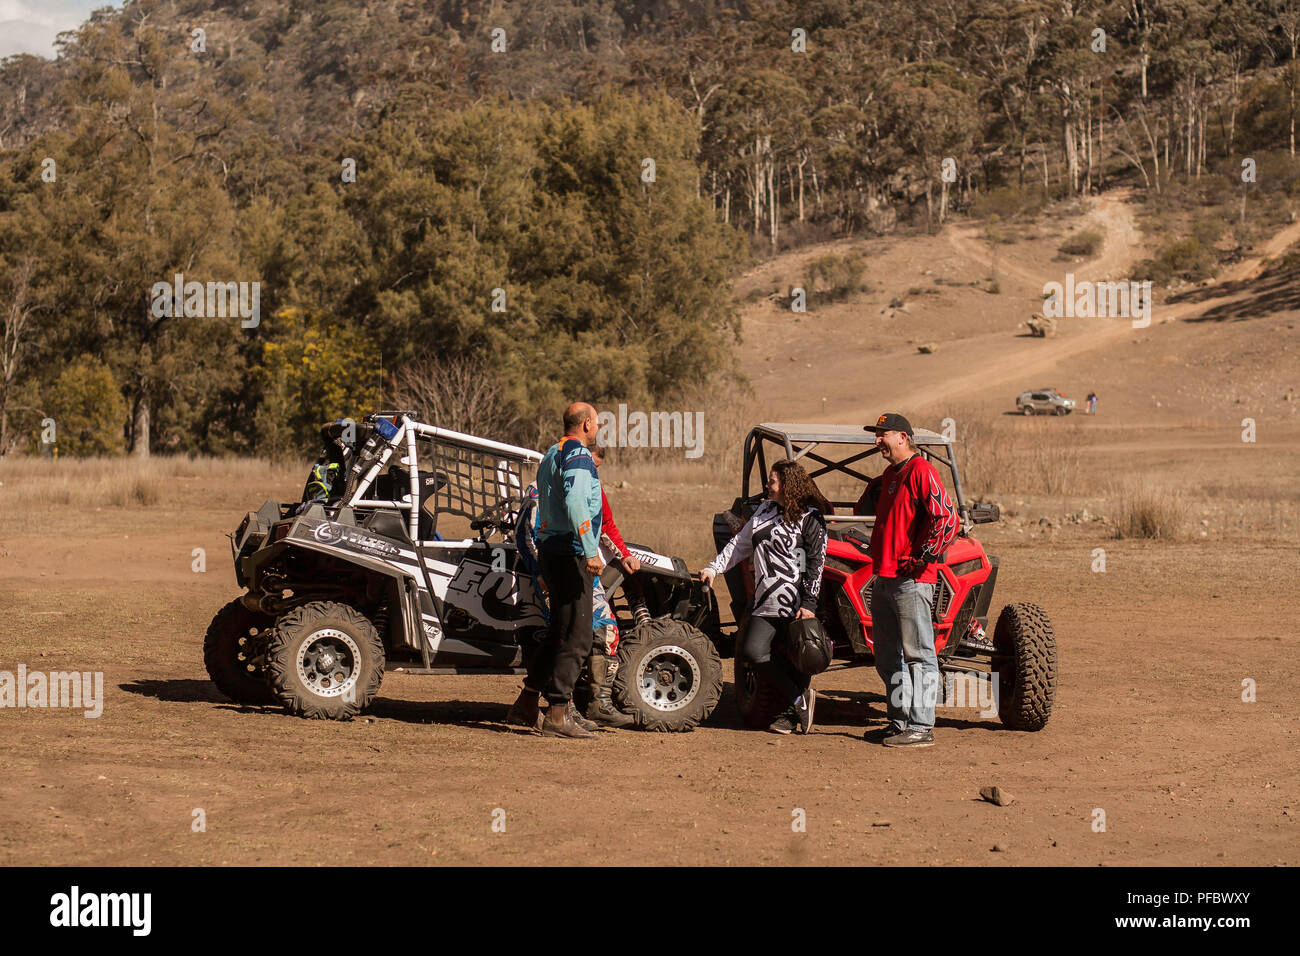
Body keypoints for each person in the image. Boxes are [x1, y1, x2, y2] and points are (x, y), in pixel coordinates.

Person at [699, 459, 828, 735]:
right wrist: (714, 568)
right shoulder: (764, 511)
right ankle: (798, 698)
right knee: (754, 653)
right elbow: (739, 545)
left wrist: (808, 604)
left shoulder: (811, 517)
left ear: (787, 485)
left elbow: (815, 563)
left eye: (772, 481)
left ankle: (787, 716)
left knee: (794, 659)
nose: (767, 485)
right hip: (765, 600)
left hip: (796, 603)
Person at [854, 413, 959, 748]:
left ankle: (921, 725)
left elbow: (946, 517)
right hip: (883, 577)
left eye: (882, 435)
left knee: (919, 653)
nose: (877, 442)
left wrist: (926, 554)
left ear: (902, 437)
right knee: (888, 656)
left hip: (911, 580)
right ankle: (899, 722)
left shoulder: (922, 471)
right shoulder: (890, 474)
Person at [505, 402, 604, 739]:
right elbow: (576, 502)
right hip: (571, 552)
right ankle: (558, 713)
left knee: (559, 631)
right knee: (578, 635)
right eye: (598, 423)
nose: (598, 429)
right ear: (587, 424)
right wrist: (591, 550)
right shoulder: (578, 455)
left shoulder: (551, 453)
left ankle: (527, 702)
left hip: (549, 549)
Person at [582, 444, 640, 727]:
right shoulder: (561, 484)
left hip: (581, 568)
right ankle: (597, 703)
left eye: (597, 467)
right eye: (590, 464)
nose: (593, 471)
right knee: (605, 630)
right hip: (574, 568)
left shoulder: (590, 484)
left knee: (579, 633)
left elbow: (606, 524)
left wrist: (624, 555)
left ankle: (562, 703)